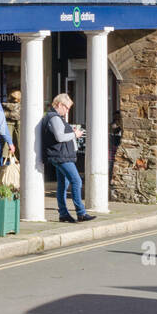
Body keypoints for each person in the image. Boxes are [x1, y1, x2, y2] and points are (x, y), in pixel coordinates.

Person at [44, 93, 94, 224]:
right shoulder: (54, 118)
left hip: (61, 155)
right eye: (67, 108)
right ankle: (81, 213)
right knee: (76, 181)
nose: (67, 111)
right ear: (59, 104)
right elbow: (60, 137)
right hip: (61, 156)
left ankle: (63, 214)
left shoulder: (57, 117)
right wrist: (74, 134)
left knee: (63, 185)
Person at [4, 89, 22, 157]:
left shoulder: (4, 107)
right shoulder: (24, 107)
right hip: (20, 132)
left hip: (8, 133)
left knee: (6, 151)